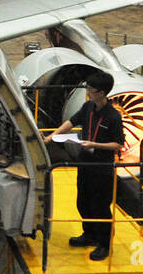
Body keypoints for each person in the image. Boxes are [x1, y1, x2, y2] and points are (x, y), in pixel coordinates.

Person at [45, 69, 125, 261]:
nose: (87, 91)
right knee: (83, 201)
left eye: (91, 89)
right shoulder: (88, 107)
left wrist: (95, 145)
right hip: (85, 162)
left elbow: (118, 144)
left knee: (100, 206)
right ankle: (88, 234)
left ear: (102, 93)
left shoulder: (113, 117)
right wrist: (50, 137)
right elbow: (71, 122)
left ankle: (104, 244)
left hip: (101, 166)